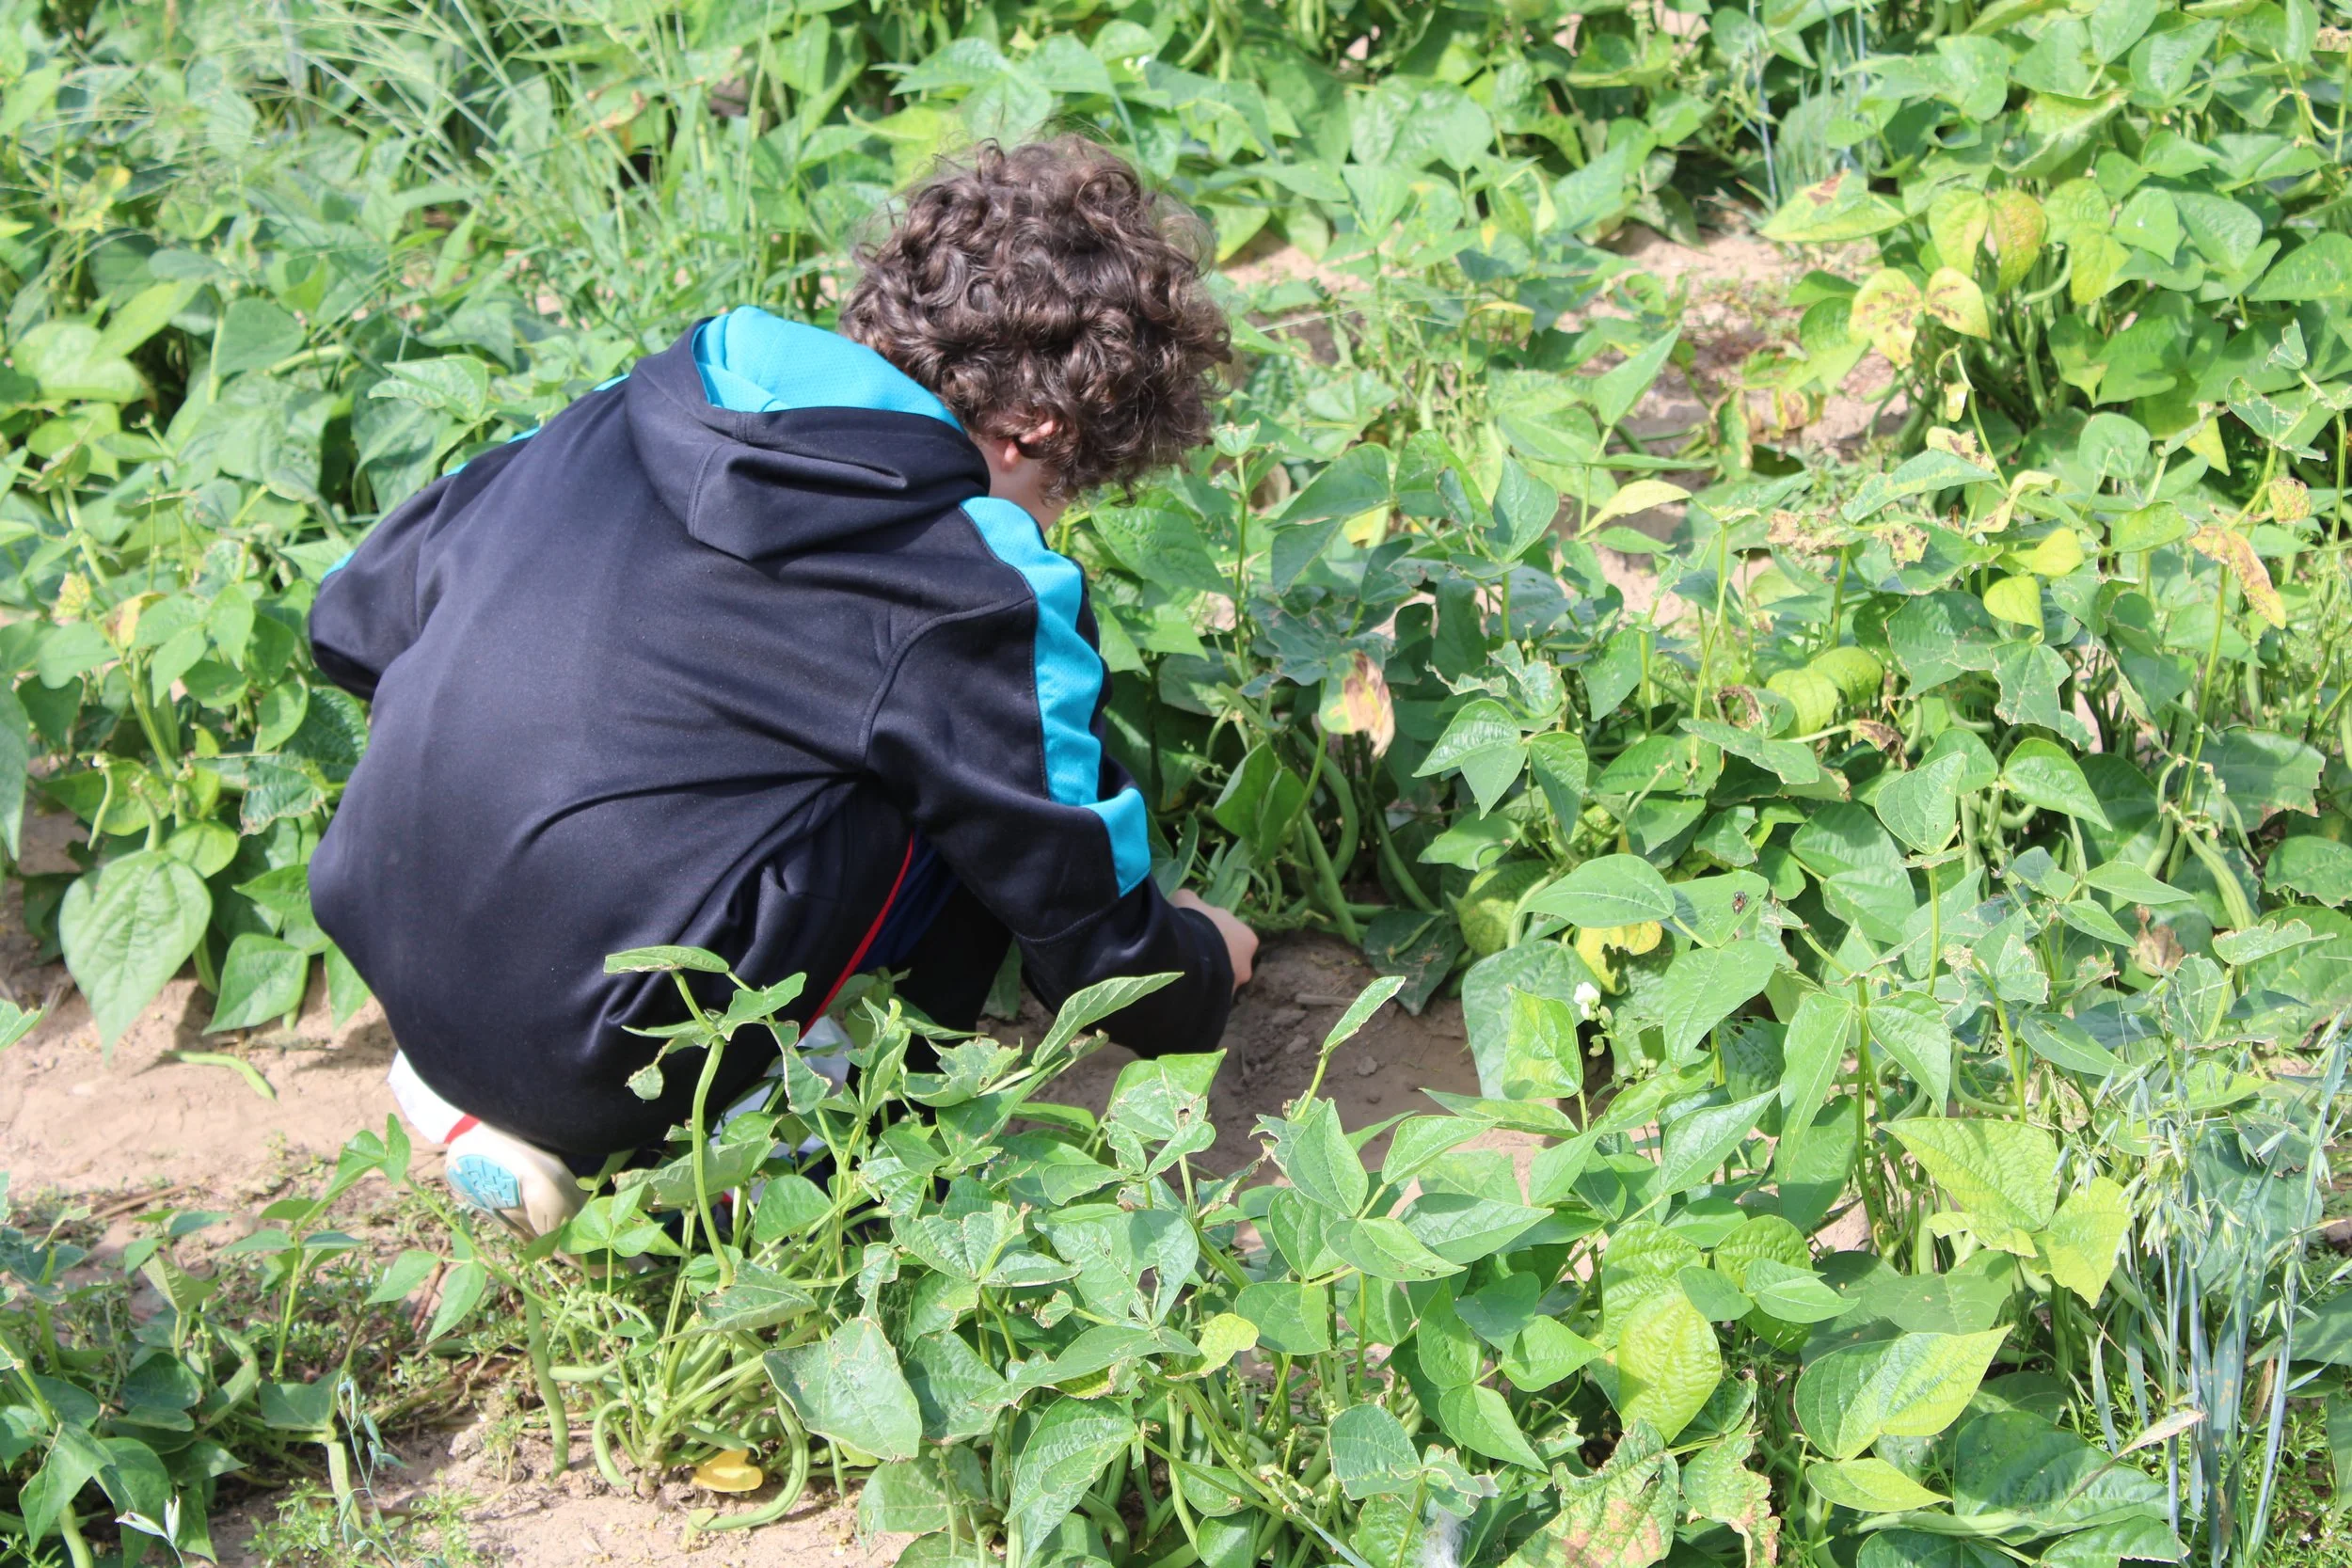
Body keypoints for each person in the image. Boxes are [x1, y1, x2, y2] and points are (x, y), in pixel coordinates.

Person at [306, 136, 1258, 1238]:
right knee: (952, 779)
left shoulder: (641, 397)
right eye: (1065, 487)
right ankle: (826, 1153)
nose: (1050, 516)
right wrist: (1198, 967)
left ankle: (493, 1083)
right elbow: (1081, 919)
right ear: (1039, 431)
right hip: (612, 1049)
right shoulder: (970, 571)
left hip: (392, 941)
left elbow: (352, 619)